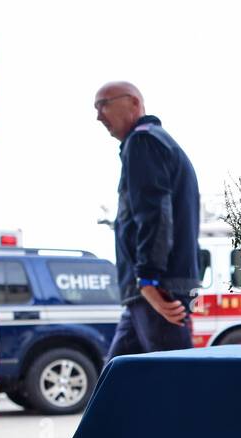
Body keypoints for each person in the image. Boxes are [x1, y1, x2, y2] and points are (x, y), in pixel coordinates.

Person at [94, 81, 201, 358]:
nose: (98, 116)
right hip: (144, 293)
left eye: (104, 104)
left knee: (174, 382)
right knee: (117, 380)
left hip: (158, 288)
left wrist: (149, 280)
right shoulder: (155, 142)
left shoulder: (143, 141)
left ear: (134, 103)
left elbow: (154, 215)